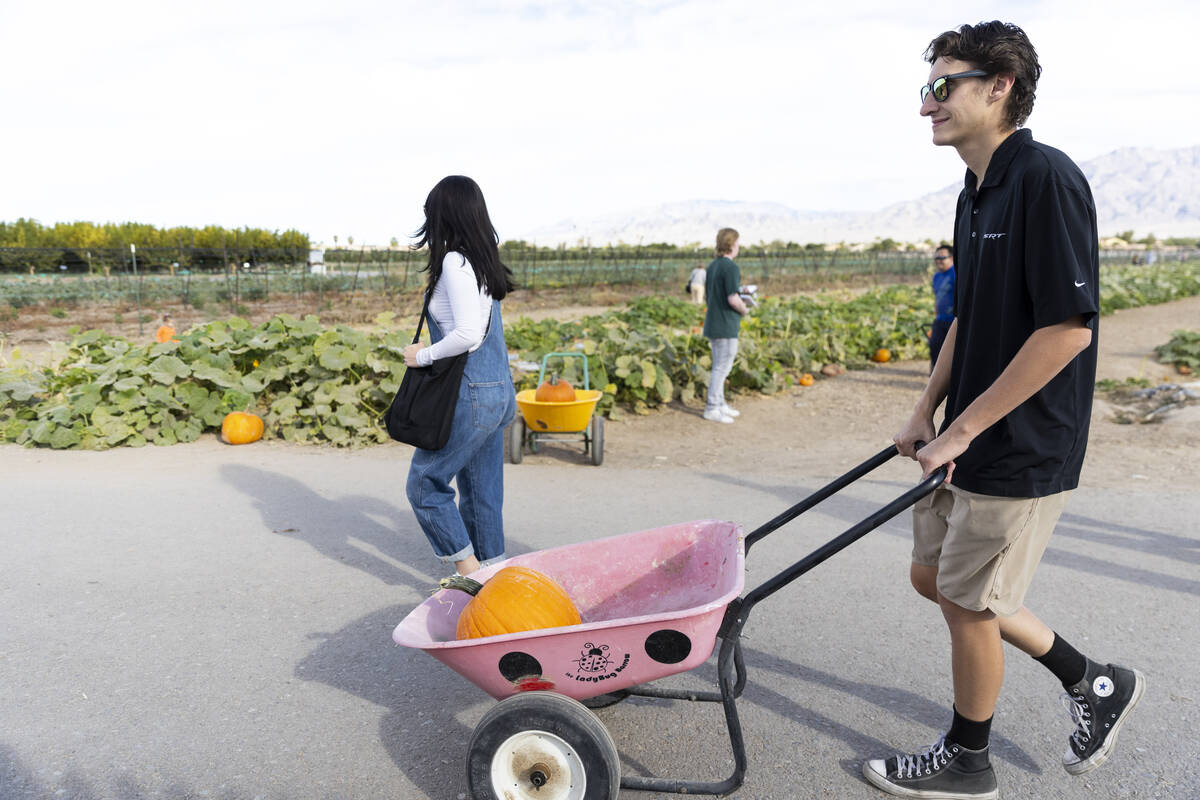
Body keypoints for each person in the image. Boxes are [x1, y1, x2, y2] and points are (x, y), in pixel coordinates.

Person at [864, 22, 1145, 800]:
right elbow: (968, 316)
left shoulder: (1045, 179)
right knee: (937, 579)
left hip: (1021, 441)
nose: (928, 106)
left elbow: (1065, 332)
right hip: (967, 434)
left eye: (942, 86)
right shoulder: (974, 187)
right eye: (927, 89)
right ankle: (1092, 680)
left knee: (964, 599)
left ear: (999, 87)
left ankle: (968, 760)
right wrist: (926, 408)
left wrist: (962, 427)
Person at [403, 176, 517, 577]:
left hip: (471, 396)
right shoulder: (482, 260)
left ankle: (470, 576)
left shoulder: (454, 261)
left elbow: (467, 334)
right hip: (499, 392)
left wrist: (423, 356)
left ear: (443, 214)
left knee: (424, 486)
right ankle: (496, 579)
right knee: (481, 494)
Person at [702, 228, 749, 423]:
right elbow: (732, 299)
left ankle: (720, 404)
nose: (738, 246)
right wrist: (745, 309)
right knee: (722, 368)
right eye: (737, 243)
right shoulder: (731, 268)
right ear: (731, 244)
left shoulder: (712, 266)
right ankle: (712, 407)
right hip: (725, 324)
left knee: (719, 366)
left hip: (713, 321)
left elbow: (711, 295)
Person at [929, 244, 956, 372]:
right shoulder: (936, 277)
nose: (939, 261)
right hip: (940, 319)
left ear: (952, 258)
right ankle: (936, 376)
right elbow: (937, 297)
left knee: (953, 351)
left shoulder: (957, 274)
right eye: (937, 258)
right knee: (935, 346)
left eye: (942, 257)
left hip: (954, 320)